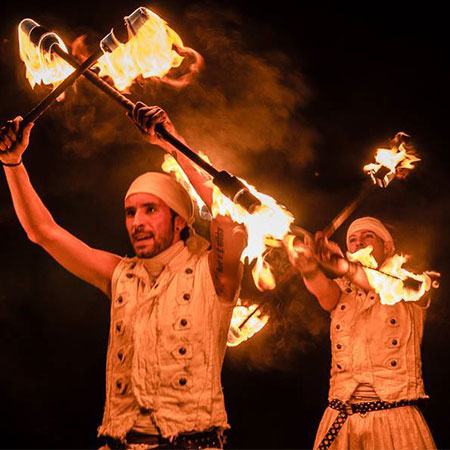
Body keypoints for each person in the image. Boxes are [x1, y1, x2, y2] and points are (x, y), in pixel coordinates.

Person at [0, 104, 246, 449]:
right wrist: (12, 163)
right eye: (130, 212)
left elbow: (231, 218)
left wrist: (172, 143)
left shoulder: (213, 273)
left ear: (180, 221)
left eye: (150, 210)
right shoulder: (120, 275)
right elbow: (43, 232)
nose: (137, 222)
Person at [285, 217, 436, 450]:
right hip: (342, 418)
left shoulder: (409, 280)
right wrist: (309, 268)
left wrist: (345, 266)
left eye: (368, 236)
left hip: (393, 418)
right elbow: (323, 291)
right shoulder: (342, 289)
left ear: (388, 247)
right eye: (353, 239)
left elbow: (385, 284)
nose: (359, 242)